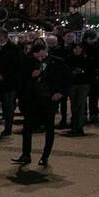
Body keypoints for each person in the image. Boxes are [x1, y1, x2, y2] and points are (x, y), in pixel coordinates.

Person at [13, 40, 69, 168]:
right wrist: (30, 75)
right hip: (32, 100)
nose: (39, 57)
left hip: (49, 100)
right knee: (27, 128)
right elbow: (20, 80)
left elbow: (67, 79)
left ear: (46, 51)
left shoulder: (57, 62)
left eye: (41, 54)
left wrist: (60, 92)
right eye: (36, 54)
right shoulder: (28, 62)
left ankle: (45, 156)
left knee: (49, 128)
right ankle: (25, 154)